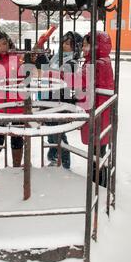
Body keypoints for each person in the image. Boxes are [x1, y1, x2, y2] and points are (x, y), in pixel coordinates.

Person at [79, 31, 114, 187]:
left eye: (86, 44)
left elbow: (80, 81)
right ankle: (99, 182)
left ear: (96, 46)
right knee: (98, 151)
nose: (83, 48)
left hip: (97, 112)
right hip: (101, 113)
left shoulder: (96, 63)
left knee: (96, 153)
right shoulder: (100, 61)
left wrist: (51, 74)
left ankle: (98, 185)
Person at [43, 31, 82, 170]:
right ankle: (53, 158)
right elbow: (46, 69)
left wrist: (45, 72)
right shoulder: (55, 57)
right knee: (50, 132)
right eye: (64, 43)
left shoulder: (72, 62)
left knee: (58, 133)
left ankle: (64, 163)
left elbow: (63, 77)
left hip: (59, 99)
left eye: (69, 44)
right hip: (48, 98)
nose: (65, 46)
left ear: (75, 48)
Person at [0, 30, 24, 168]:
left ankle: (16, 166)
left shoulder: (18, 57)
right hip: (0, 105)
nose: (2, 47)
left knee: (17, 137)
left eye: (4, 43)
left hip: (16, 103)